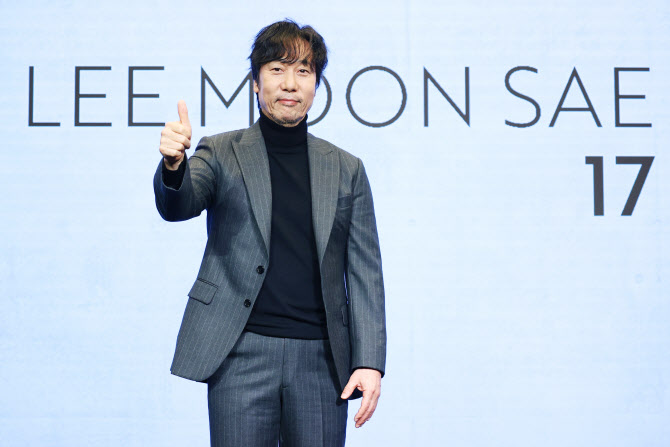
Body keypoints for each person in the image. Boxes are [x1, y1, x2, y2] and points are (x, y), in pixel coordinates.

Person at [153, 19, 386, 447]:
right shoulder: (221, 151)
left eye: (303, 71)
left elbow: (365, 273)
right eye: (277, 69)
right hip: (240, 353)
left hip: (321, 360)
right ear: (256, 83)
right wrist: (173, 165)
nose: (290, 83)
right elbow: (179, 204)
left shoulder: (346, 168)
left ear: (316, 85)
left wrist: (369, 361)